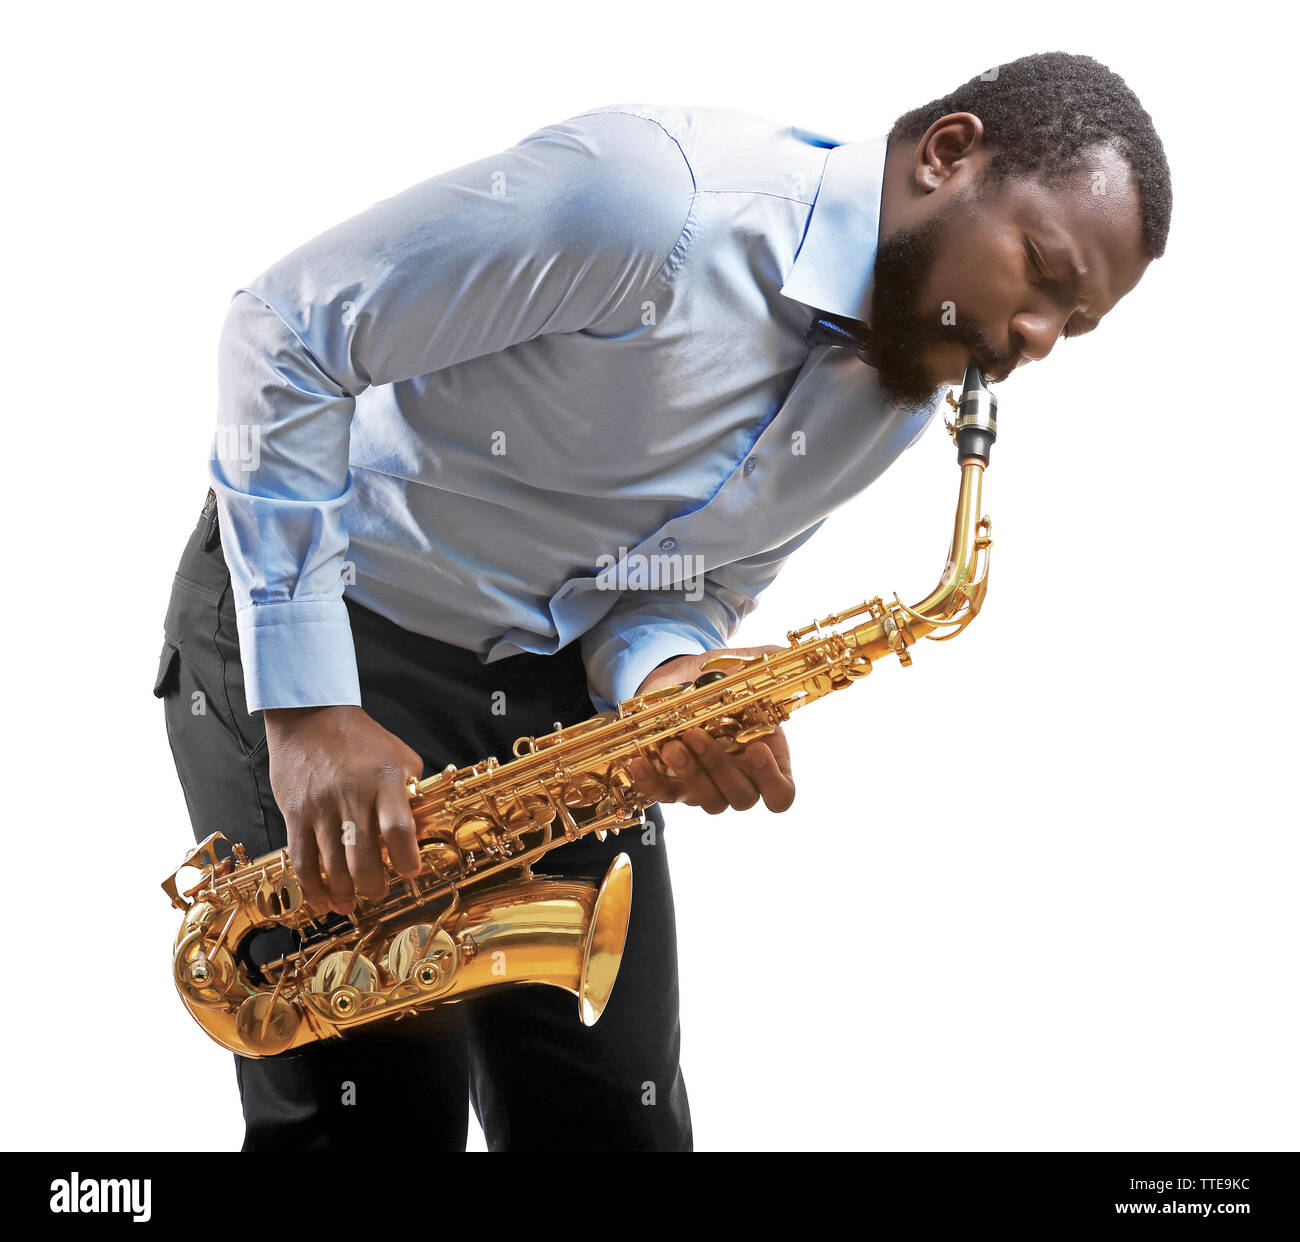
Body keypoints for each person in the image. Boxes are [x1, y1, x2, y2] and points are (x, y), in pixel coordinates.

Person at [155, 51, 1171, 1152]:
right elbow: (285, 333)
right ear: (947, 155)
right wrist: (306, 714)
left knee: (614, 1118)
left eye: (1073, 325)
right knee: (381, 1115)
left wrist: (672, 679)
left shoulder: (898, 396)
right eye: (1039, 270)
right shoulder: (649, 201)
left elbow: (687, 581)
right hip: (338, 628)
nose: (1030, 342)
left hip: (540, 710)